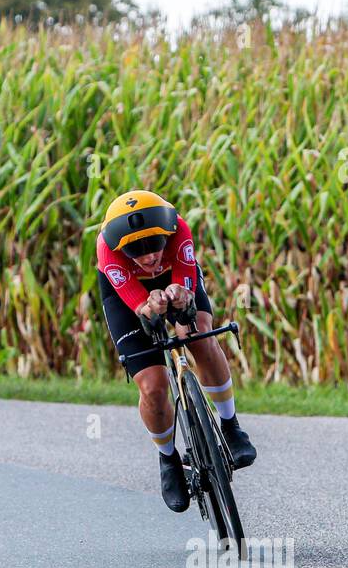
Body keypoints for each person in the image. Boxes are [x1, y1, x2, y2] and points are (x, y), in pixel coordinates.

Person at [97, 190, 256, 512]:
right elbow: (135, 300)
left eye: (153, 245)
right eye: (135, 250)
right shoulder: (107, 250)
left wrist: (180, 296)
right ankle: (168, 459)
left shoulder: (179, 228)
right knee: (153, 385)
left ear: (167, 233)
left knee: (199, 336)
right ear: (119, 247)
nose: (147, 256)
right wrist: (148, 306)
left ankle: (231, 425)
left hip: (176, 280)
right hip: (127, 296)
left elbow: (185, 275)